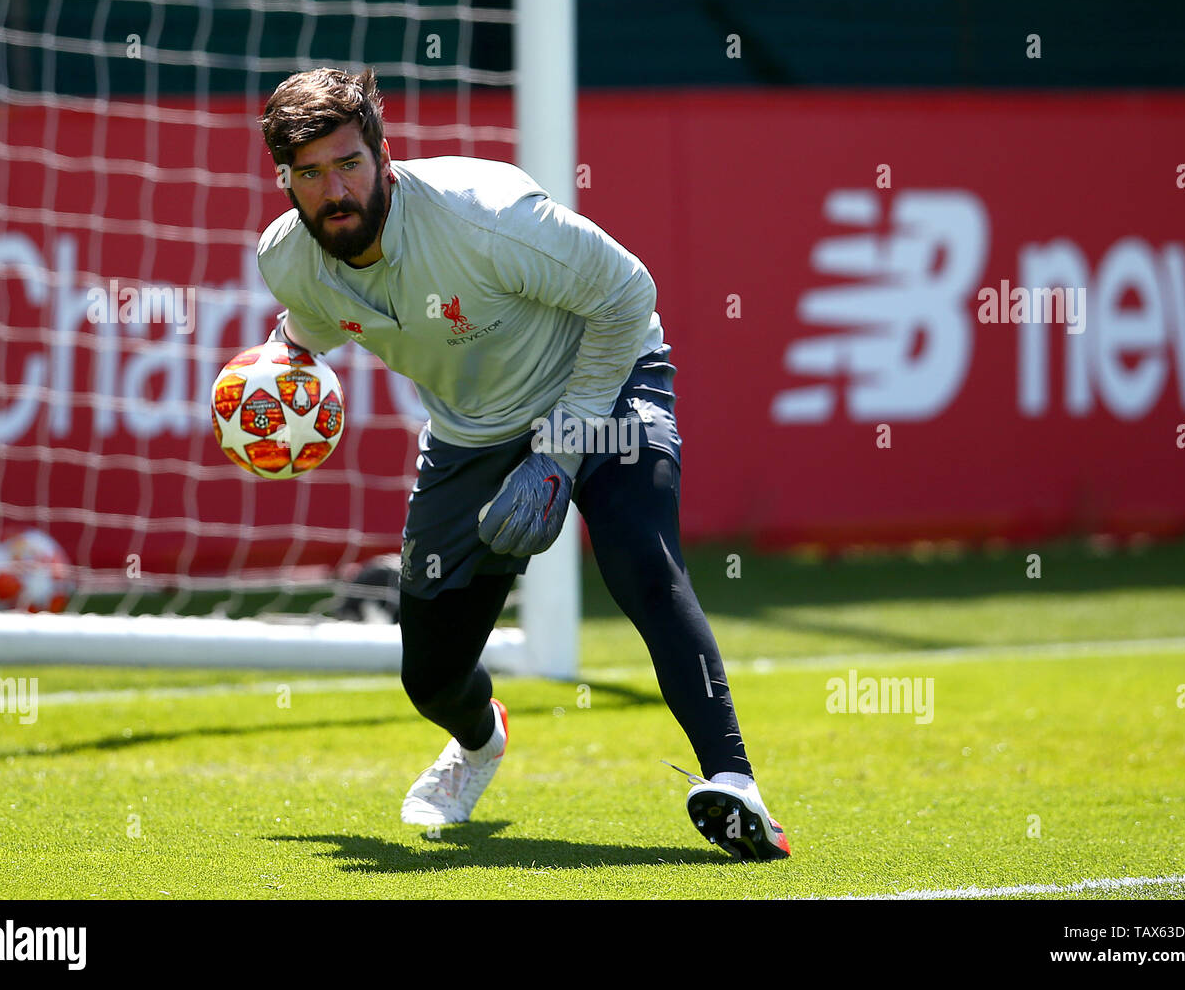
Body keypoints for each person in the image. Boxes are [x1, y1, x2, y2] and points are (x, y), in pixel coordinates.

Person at [256, 67, 788, 861]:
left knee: (641, 559)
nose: (334, 190)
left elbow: (627, 293)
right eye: (310, 174)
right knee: (430, 677)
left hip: (602, 380)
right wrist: (274, 371)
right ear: (286, 182)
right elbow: (306, 326)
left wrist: (558, 455)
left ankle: (735, 784)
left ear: (385, 157)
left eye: (348, 164)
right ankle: (480, 742)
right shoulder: (287, 257)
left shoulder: (487, 216)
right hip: (471, 431)